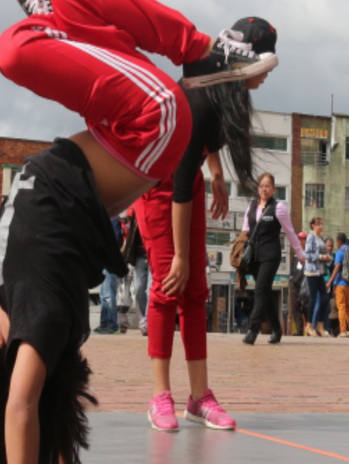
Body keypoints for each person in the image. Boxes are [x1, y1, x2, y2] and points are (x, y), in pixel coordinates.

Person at [0, 1, 278, 462]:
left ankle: (176, 41)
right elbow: (31, 409)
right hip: (123, 145)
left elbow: (22, 406)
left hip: (119, 149)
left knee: (27, 47)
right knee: (32, 47)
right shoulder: (32, 310)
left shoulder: (34, 315)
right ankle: (187, 46)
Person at [133, 16, 279, 432]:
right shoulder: (199, 97)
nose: (266, 76)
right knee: (167, 287)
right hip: (159, 187)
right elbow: (178, 177)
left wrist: (214, 171)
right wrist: (179, 255)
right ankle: (160, 396)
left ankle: (200, 398)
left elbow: (204, 143)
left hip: (187, 183)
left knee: (196, 292)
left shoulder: (221, 88)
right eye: (265, 65)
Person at [241, 173, 304, 345]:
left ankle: (252, 330)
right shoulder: (252, 205)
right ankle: (276, 329)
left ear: (274, 189)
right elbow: (245, 231)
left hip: (271, 256)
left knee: (261, 288)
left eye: (268, 186)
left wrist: (300, 254)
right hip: (254, 257)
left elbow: (290, 232)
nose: (264, 189)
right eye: (261, 185)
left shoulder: (278, 208)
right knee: (265, 292)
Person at [327, 233, 349, 338]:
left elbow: (337, 267)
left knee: (341, 307)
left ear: (338, 241)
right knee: (347, 308)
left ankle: (343, 331)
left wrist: (329, 282)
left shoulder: (339, 252)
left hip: (340, 284)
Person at [123, 207, 151, 336]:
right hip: (139, 256)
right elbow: (130, 235)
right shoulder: (136, 208)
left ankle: (147, 324)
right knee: (138, 289)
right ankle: (143, 322)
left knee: (152, 291)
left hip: (153, 255)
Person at [94, 216, 124, 334]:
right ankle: (104, 324)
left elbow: (117, 239)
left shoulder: (114, 220)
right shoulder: (103, 219)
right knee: (102, 295)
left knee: (109, 294)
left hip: (110, 262)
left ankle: (112, 325)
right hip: (102, 262)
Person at [304, 217, 332, 337]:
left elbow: (322, 254)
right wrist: (322, 257)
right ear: (313, 226)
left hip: (320, 272)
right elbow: (308, 254)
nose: (321, 226)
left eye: (322, 224)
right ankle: (309, 325)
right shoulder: (311, 237)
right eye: (318, 224)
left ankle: (320, 325)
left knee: (325, 298)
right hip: (312, 272)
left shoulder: (320, 238)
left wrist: (327, 258)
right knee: (313, 299)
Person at [289, 232, 309, 336]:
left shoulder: (309, 252)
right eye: (299, 239)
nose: (301, 241)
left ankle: (309, 329)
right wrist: (291, 278)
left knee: (305, 306)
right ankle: (299, 330)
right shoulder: (295, 252)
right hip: (295, 283)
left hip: (305, 283)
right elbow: (293, 266)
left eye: (303, 239)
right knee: (295, 307)